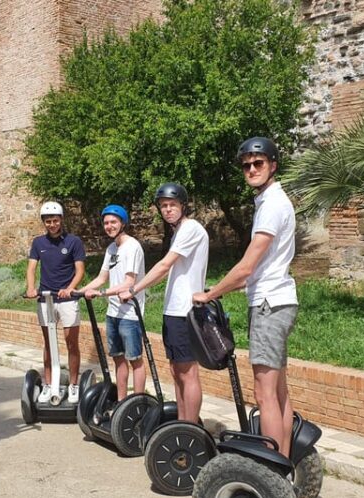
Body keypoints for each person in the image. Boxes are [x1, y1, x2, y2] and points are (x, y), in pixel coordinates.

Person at [192, 137, 298, 458]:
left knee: (264, 394)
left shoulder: (272, 206)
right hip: (277, 301)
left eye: (258, 163)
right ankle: (283, 467)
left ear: (273, 165)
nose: (251, 169)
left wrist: (210, 293)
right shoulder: (271, 202)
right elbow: (257, 270)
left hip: (269, 304)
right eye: (246, 165)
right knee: (279, 392)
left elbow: (246, 268)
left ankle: (270, 470)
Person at [119, 183, 208, 423]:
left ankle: (190, 429)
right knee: (176, 370)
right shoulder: (179, 232)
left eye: (172, 205)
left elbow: (164, 265)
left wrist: (134, 288)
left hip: (185, 311)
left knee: (188, 373)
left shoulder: (191, 228)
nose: (167, 210)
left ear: (183, 206)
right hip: (173, 310)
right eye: (163, 206)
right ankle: (181, 424)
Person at [80, 204, 147, 400]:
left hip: (130, 314)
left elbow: (129, 282)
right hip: (113, 313)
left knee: (135, 360)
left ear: (123, 223)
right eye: (106, 223)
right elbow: (101, 278)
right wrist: (77, 291)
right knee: (118, 359)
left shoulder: (132, 246)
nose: (109, 226)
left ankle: (137, 404)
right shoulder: (111, 248)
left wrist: (100, 293)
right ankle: (121, 402)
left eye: (113, 222)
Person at [26, 201, 86, 404]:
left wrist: (70, 288)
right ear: (44, 222)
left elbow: (80, 270)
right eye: (48, 221)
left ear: (61, 220)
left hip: (67, 299)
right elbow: (32, 268)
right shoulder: (38, 243)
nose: (52, 224)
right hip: (45, 298)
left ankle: (74, 385)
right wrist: (31, 288)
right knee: (48, 344)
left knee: (71, 343)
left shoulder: (73, 242)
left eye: (55, 220)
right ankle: (48, 384)